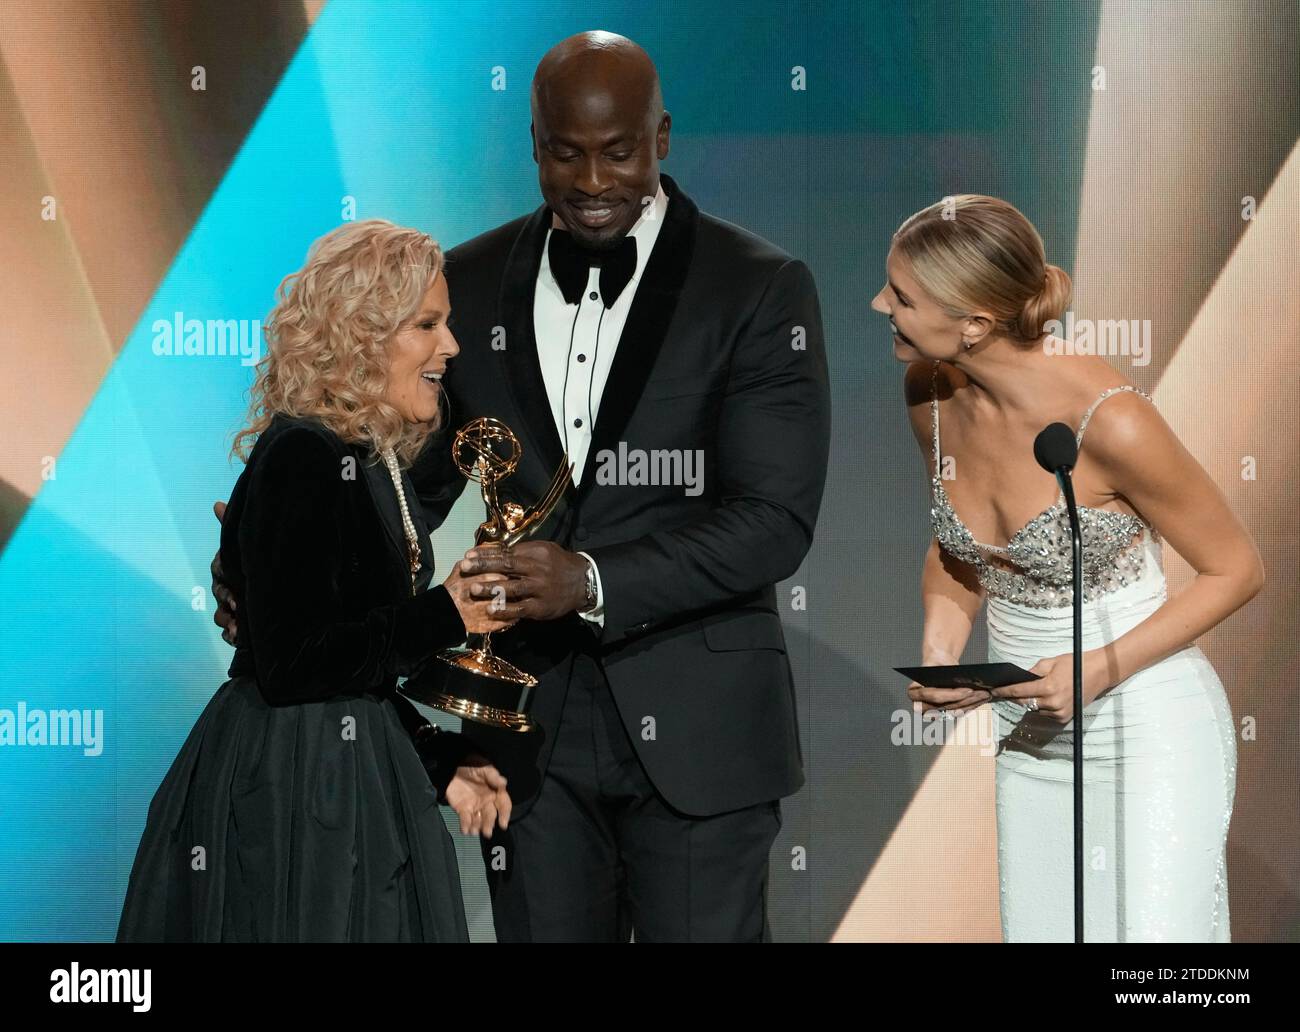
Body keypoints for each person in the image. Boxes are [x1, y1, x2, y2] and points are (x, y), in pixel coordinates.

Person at [220, 32, 831, 942]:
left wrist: (589, 579)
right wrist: (280, 573)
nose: (591, 180)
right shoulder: (464, 280)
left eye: (618, 152)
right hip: (526, 731)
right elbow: (402, 480)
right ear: (534, 143)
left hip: (702, 728)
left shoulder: (757, 287)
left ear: (662, 136)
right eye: (565, 152)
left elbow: (772, 522)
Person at [874, 194, 1264, 941]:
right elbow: (958, 549)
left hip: (1150, 723)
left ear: (976, 324)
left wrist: (1095, 669)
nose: (879, 304)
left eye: (902, 296)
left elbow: (1237, 568)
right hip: (1033, 735)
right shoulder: (929, 390)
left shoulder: (1109, 419)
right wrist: (941, 651)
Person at [118, 220, 518, 942]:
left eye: (447, 322)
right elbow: (297, 663)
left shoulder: (366, 456)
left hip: (347, 774)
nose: (450, 347)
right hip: (297, 791)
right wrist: (448, 613)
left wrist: (437, 762)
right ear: (363, 335)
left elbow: (351, 664)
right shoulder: (303, 454)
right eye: (427, 324)